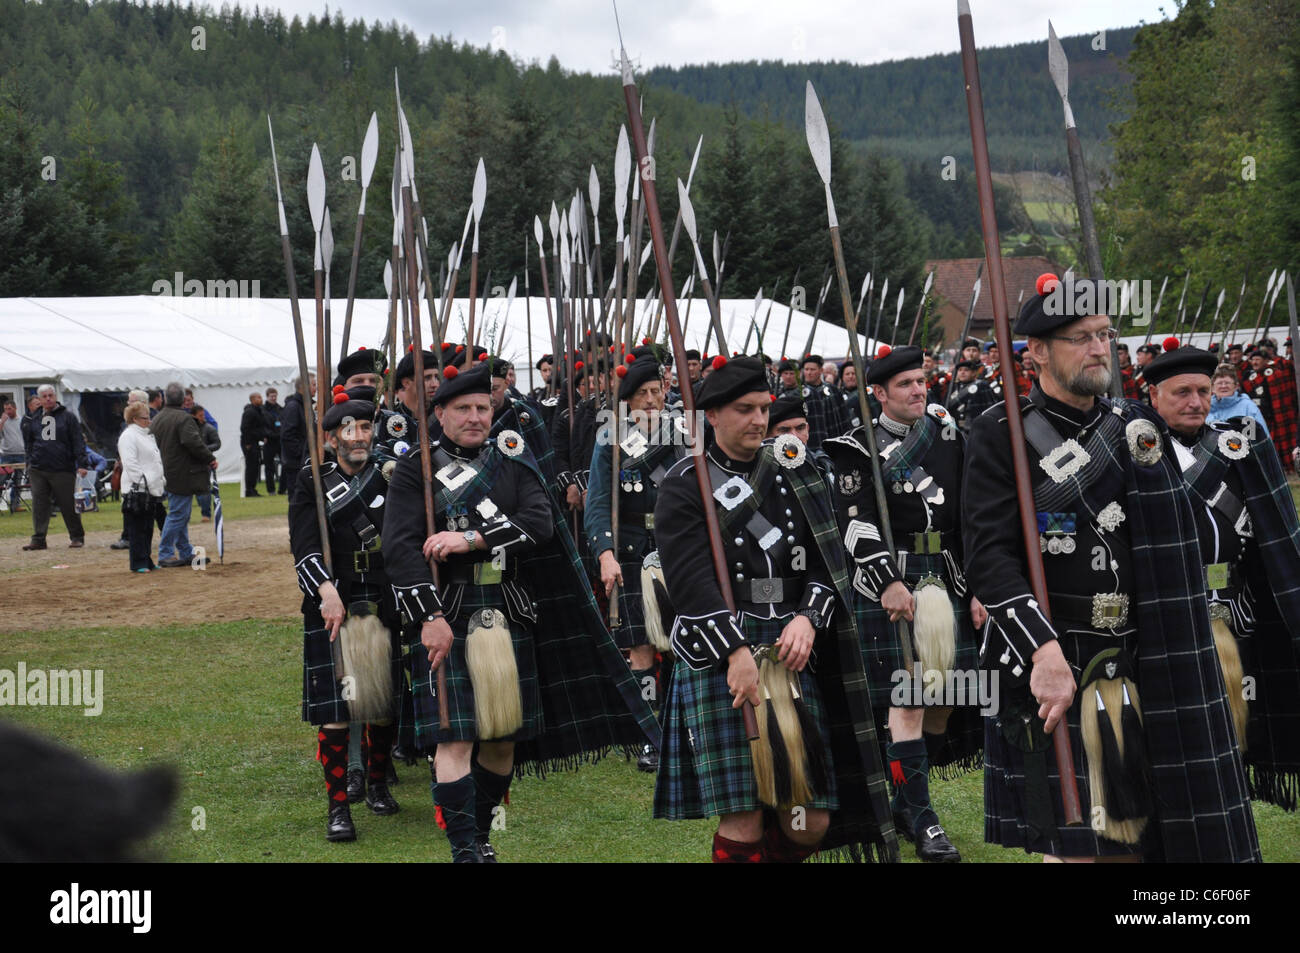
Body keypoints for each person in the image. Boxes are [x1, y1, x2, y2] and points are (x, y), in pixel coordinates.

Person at [962, 276, 1259, 862]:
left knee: (1139, 838)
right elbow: (989, 556)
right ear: (1039, 352)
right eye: (1081, 338)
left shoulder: (1136, 427)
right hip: (1057, 650)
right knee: (1076, 845)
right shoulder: (1000, 433)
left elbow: (1175, 539)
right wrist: (1040, 652)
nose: (1100, 349)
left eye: (1105, 335)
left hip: (1146, 655)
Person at [382, 363, 657, 862]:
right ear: (439, 413)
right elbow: (399, 549)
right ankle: (464, 849)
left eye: (482, 407)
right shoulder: (415, 468)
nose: (474, 417)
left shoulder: (512, 457)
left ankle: (481, 834)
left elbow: (541, 523)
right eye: (462, 408)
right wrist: (429, 617)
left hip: (509, 610)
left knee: (502, 739)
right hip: (451, 610)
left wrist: (471, 537)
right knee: (455, 735)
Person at [651, 355, 897, 863]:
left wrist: (809, 616)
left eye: (763, 408)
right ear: (710, 416)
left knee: (809, 819)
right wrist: (735, 652)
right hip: (721, 650)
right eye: (745, 409)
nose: (759, 421)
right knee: (743, 815)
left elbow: (831, 562)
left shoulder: (796, 468)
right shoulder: (684, 481)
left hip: (792, 646)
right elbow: (688, 579)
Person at [824, 346, 984, 862]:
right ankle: (924, 817)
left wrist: (979, 584)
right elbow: (854, 521)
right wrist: (887, 578)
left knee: (944, 700)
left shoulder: (946, 435)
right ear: (878, 394)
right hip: (894, 584)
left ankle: (902, 801)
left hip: (949, 578)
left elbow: (969, 513)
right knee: (909, 699)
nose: (919, 390)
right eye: (906, 384)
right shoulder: (855, 449)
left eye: (922, 381)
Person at [1144, 342, 1300, 817]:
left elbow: (1279, 531)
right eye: (1182, 392)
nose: (1196, 402)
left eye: (1205, 391)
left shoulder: (1240, 445)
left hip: (1238, 611)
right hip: (1171, 615)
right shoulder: (1137, 454)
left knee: (1239, 727)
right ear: (1153, 396)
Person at [290, 385, 403, 842]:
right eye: (348, 429)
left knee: (381, 704)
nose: (358, 436)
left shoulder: (394, 476)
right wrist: (324, 590)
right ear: (332, 437)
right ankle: (338, 807)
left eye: (365, 427)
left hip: (384, 599)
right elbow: (303, 546)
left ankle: (377, 784)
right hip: (333, 603)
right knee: (336, 711)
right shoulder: (311, 481)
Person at [584, 354, 685, 772]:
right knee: (641, 646)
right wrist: (605, 556)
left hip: (678, 546)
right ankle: (650, 735)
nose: (650, 400)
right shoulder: (612, 438)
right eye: (641, 394)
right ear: (626, 400)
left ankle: (684, 731)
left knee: (684, 643)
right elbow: (596, 503)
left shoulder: (683, 433)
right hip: (630, 552)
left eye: (656, 392)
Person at [149, 382, 215, 569]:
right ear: (182, 400)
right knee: (178, 514)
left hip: (166, 471)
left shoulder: (159, 418)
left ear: (166, 398)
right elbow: (192, 442)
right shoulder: (183, 419)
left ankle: (185, 551)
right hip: (182, 473)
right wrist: (209, 458)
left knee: (181, 513)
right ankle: (166, 553)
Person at [19, 384, 89, 551]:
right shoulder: (33, 418)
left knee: (67, 504)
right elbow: (29, 442)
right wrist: (30, 461)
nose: (48, 398)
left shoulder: (68, 417)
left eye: (51, 395)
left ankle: (76, 536)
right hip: (38, 468)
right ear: (40, 399)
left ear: (55, 396)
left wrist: (82, 463)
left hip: (62, 468)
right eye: (45, 396)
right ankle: (38, 538)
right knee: (39, 505)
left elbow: (78, 441)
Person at [117, 401, 166, 573]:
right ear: (135, 419)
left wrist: (159, 480)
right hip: (137, 489)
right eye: (146, 418)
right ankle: (138, 562)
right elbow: (130, 463)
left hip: (151, 487)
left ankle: (147, 559)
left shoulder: (146, 435)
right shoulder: (129, 436)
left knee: (147, 527)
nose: (149, 421)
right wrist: (142, 481)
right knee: (137, 528)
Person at [1207, 363, 1268, 435]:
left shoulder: (1248, 408)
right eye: (1219, 383)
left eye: (1227, 383)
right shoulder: (1205, 407)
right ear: (1212, 388)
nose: (1223, 386)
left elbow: (1261, 438)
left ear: (1236, 386)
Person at [945, 358, 996, 433]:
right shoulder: (952, 387)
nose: (962, 372)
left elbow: (990, 408)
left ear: (974, 373)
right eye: (960, 370)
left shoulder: (981, 385)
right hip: (956, 430)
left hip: (976, 429)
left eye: (966, 370)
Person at [281, 374, 316, 476]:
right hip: (296, 464)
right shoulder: (294, 407)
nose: (316, 388)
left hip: (303, 461)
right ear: (304, 386)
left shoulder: (306, 406)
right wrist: (303, 454)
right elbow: (288, 435)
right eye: (313, 385)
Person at [192, 405, 221, 521]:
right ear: (193, 416)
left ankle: (206, 514)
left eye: (203, 415)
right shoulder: (189, 429)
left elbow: (217, 443)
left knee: (204, 487)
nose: (202, 417)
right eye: (200, 416)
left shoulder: (209, 428)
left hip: (205, 462)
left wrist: (205, 449)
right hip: (190, 462)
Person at [240, 392, 270, 497]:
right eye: (258, 397)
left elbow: (258, 427)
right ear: (252, 399)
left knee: (255, 466)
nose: (261, 399)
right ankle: (249, 490)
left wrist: (262, 437)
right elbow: (245, 428)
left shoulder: (259, 411)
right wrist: (248, 443)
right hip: (249, 443)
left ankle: (252, 488)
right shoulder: (249, 412)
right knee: (251, 466)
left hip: (255, 441)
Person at [1, 398, 25, 513]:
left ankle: (15, 505)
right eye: (5, 409)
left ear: (15, 408)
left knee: (18, 481)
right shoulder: (2, 421)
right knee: (1, 480)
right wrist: (2, 422)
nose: (7, 411)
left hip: (21, 454)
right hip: (7, 455)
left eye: (9, 409)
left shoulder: (22, 420)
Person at [263, 388, 283, 494]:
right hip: (269, 441)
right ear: (267, 396)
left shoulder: (279, 408)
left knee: (285, 464)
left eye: (275, 396)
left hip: (279, 440)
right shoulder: (263, 410)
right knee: (269, 467)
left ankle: (283, 488)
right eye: (272, 396)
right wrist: (268, 435)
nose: (274, 398)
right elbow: (262, 426)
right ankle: (271, 489)